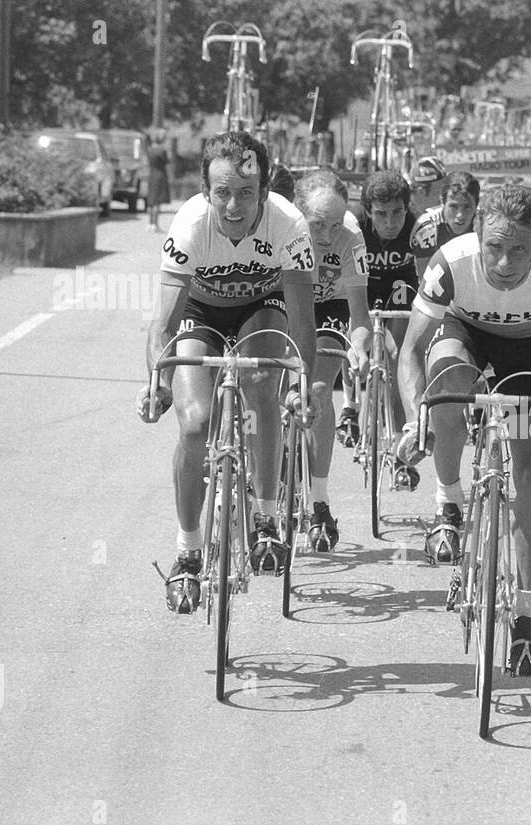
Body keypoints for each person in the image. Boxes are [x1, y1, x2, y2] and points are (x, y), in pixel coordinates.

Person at [398, 184, 531, 677]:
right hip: (464, 335)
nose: (505, 261)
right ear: (477, 235)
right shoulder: (451, 261)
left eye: (519, 250)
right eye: (495, 246)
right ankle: (448, 500)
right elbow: (409, 351)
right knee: (446, 383)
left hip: (528, 352)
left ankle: (525, 617)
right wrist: (414, 419)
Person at [139, 131, 318, 613]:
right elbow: (163, 324)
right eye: (222, 193)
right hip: (203, 311)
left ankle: (264, 521)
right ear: (205, 192)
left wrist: (301, 382)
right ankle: (187, 552)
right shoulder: (191, 225)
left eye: (245, 193)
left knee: (262, 383)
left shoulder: (289, 224)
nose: (234, 205)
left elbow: (302, 322)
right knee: (194, 423)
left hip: (263, 307)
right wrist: (156, 379)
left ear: (264, 192)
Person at [294, 170, 372, 549]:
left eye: (335, 225)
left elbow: (360, 317)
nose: (327, 235)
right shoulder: (280, 230)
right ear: (296, 213)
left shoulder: (351, 238)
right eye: (317, 225)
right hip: (286, 306)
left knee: (320, 389)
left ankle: (319, 501)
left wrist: (358, 348)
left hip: (329, 308)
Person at [355, 169, 420, 487]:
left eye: (397, 213)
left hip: (402, 285)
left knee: (396, 356)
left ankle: (398, 442)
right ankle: (350, 409)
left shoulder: (417, 228)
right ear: (368, 212)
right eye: (381, 214)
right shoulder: (355, 227)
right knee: (355, 342)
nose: (391, 222)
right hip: (364, 284)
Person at [409, 170, 481, 278]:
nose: (460, 215)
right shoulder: (427, 228)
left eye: (467, 207)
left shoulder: (485, 225)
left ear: (476, 205)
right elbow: (425, 281)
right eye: (454, 207)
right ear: (442, 202)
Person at [145, 128, 171, 232]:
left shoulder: (149, 150)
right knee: (157, 202)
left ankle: (150, 223)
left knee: (151, 200)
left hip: (151, 175)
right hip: (160, 175)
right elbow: (167, 162)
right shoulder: (162, 151)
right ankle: (155, 224)